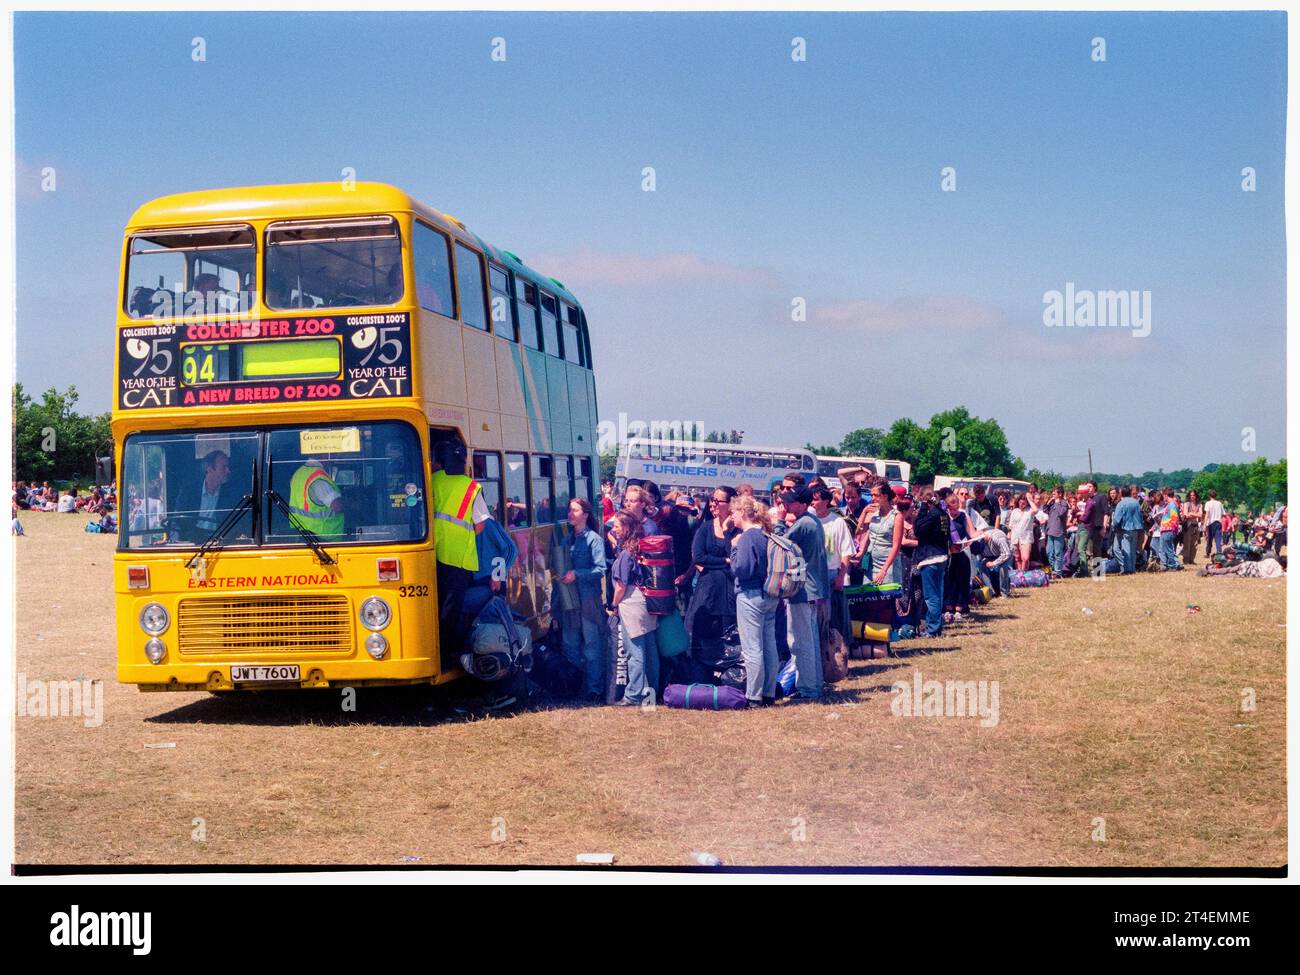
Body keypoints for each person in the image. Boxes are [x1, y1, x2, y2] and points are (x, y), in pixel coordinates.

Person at [429, 439, 491, 648]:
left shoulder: (432, 480)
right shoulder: (472, 487)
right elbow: (480, 525)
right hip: (459, 558)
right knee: (451, 609)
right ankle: (447, 650)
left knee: (433, 603)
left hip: (431, 554)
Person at [729, 495, 778, 706]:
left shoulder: (747, 537)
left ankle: (753, 696)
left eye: (733, 513)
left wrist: (733, 550)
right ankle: (768, 692)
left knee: (752, 649)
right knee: (769, 646)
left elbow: (742, 569)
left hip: (750, 595)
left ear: (742, 512)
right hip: (769, 594)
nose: (732, 518)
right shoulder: (767, 533)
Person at [780, 487, 827, 702]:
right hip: (813, 589)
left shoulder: (803, 524)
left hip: (803, 591)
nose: (785, 506)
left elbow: (779, 543)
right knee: (810, 640)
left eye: (789, 502)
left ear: (801, 504)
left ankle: (808, 689)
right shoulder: (813, 521)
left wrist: (780, 521)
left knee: (800, 642)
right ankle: (814, 686)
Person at [608, 511, 659, 706]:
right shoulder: (640, 549)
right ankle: (651, 696)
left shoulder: (625, 554)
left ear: (627, 528)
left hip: (631, 602)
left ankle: (633, 695)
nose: (614, 530)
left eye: (617, 527)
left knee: (635, 652)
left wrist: (614, 605)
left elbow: (621, 585)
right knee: (650, 652)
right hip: (646, 601)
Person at [560, 498, 607, 702]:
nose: (570, 514)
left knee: (591, 646)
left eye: (575, 510)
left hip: (588, 599)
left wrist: (577, 574)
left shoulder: (594, 540)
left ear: (585, 514)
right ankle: (573, 686)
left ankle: (594, 690)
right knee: (570, 644)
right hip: (569, 601)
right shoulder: (566, 539)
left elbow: (600, 569)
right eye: (569, 510)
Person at [686, 486, 740, 664]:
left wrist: (726, 531)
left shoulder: (737, 529)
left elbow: (734, 555)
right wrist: (724, 562)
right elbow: (699, 557)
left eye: (718, 500)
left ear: (730, 503)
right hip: (707, 587)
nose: (713, 504)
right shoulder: (706, 528)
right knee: (700, 626)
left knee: (728, 629)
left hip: (728, 588)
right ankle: (699, 667)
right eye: (712, 499)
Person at [811, 484, 855, 641]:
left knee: (830, 616)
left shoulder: (837, 522)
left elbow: (846, 552)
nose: (812, 503)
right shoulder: (810, 520)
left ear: (825, 501)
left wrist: (841, 577)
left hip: (831, 574)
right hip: (814, 575)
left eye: (815, 500)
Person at [912, 487, 950, 637]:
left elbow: (918, 530)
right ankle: (933, 626)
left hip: (930, 558)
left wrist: (922, 509)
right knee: (937, 595)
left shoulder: (933, 514)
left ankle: (933, 630)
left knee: (931, 596)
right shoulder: (943, 514)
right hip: (941, 557)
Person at [177, 449, 239, 537]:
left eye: (228, 467)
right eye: (223, 467)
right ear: (209, 469)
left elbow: (235, 525)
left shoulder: (231, 494)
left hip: (220, 543)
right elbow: (177, 521)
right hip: (193, 544)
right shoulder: (188, 492)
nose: (228, 471)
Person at [287, 458, 344, 539]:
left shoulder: (298, 473)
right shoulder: (317, 478)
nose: (334, 457)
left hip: (302, 536)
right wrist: (356, 503)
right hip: (324, 540)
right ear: (322, 453)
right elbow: (337, 506)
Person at [860, 483, 905, 586]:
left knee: (885, 599)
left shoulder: (896, 516)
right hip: (871, 563)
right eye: (871, 495)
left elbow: (896, 546)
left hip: (887, 566)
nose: (872, 498)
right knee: (868, 597)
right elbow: (858, 531)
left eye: (876, 495)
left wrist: (883, 570)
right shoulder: (873, 512)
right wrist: (864, 512)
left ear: (885, 496)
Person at [1109, 485, 1144, 574]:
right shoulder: (1136, 503)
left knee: (1124, 550)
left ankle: (1127, 569)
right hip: (1135, 529)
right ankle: (1132, 568)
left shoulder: (1121, 503)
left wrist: (1114, 528)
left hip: (1124, 529)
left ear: (1121, 493)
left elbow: (1116, 520)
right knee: (1132, 550)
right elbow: (1140, 516)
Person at [1042, 486, 1070, 574]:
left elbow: (1061, 513)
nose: (1052, 495)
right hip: (1050, 531)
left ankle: (1058, 572)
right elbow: (1045, 510)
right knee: (1049, 552)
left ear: (1060, 494)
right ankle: (1052, 569)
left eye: (1054, 493)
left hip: (1059, 532)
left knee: (1058, 553)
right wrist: (1048, 502)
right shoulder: (1052, 503)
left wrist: (1057, 504)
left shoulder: (1064, 503)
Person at [1180, 490, 1203, 566]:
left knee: (1194, 544)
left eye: (1193, 495)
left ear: (1196, 496)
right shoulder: (1186, 504)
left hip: (1195, 525)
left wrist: (1191, 514)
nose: (1192, 496)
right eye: (1191, 495)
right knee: (1187, 543)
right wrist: (1195, 514)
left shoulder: (1199, 505)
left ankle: (1191, 559)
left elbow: (1200, 515)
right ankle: (1186, 560)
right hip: (1188, 525)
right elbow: (1186, 514)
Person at [1203, 490, 1225, 558]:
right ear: (1216, 496)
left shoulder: (1208, 503)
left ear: (1209, 496)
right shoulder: (1219, 503)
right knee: (1218, 540)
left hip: (1210, 523)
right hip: (1218, 523)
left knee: (1209, 539)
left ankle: (1207, 553)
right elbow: (1223, 514)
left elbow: (1207, 514)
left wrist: (1204, 524)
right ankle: (1219, 553)